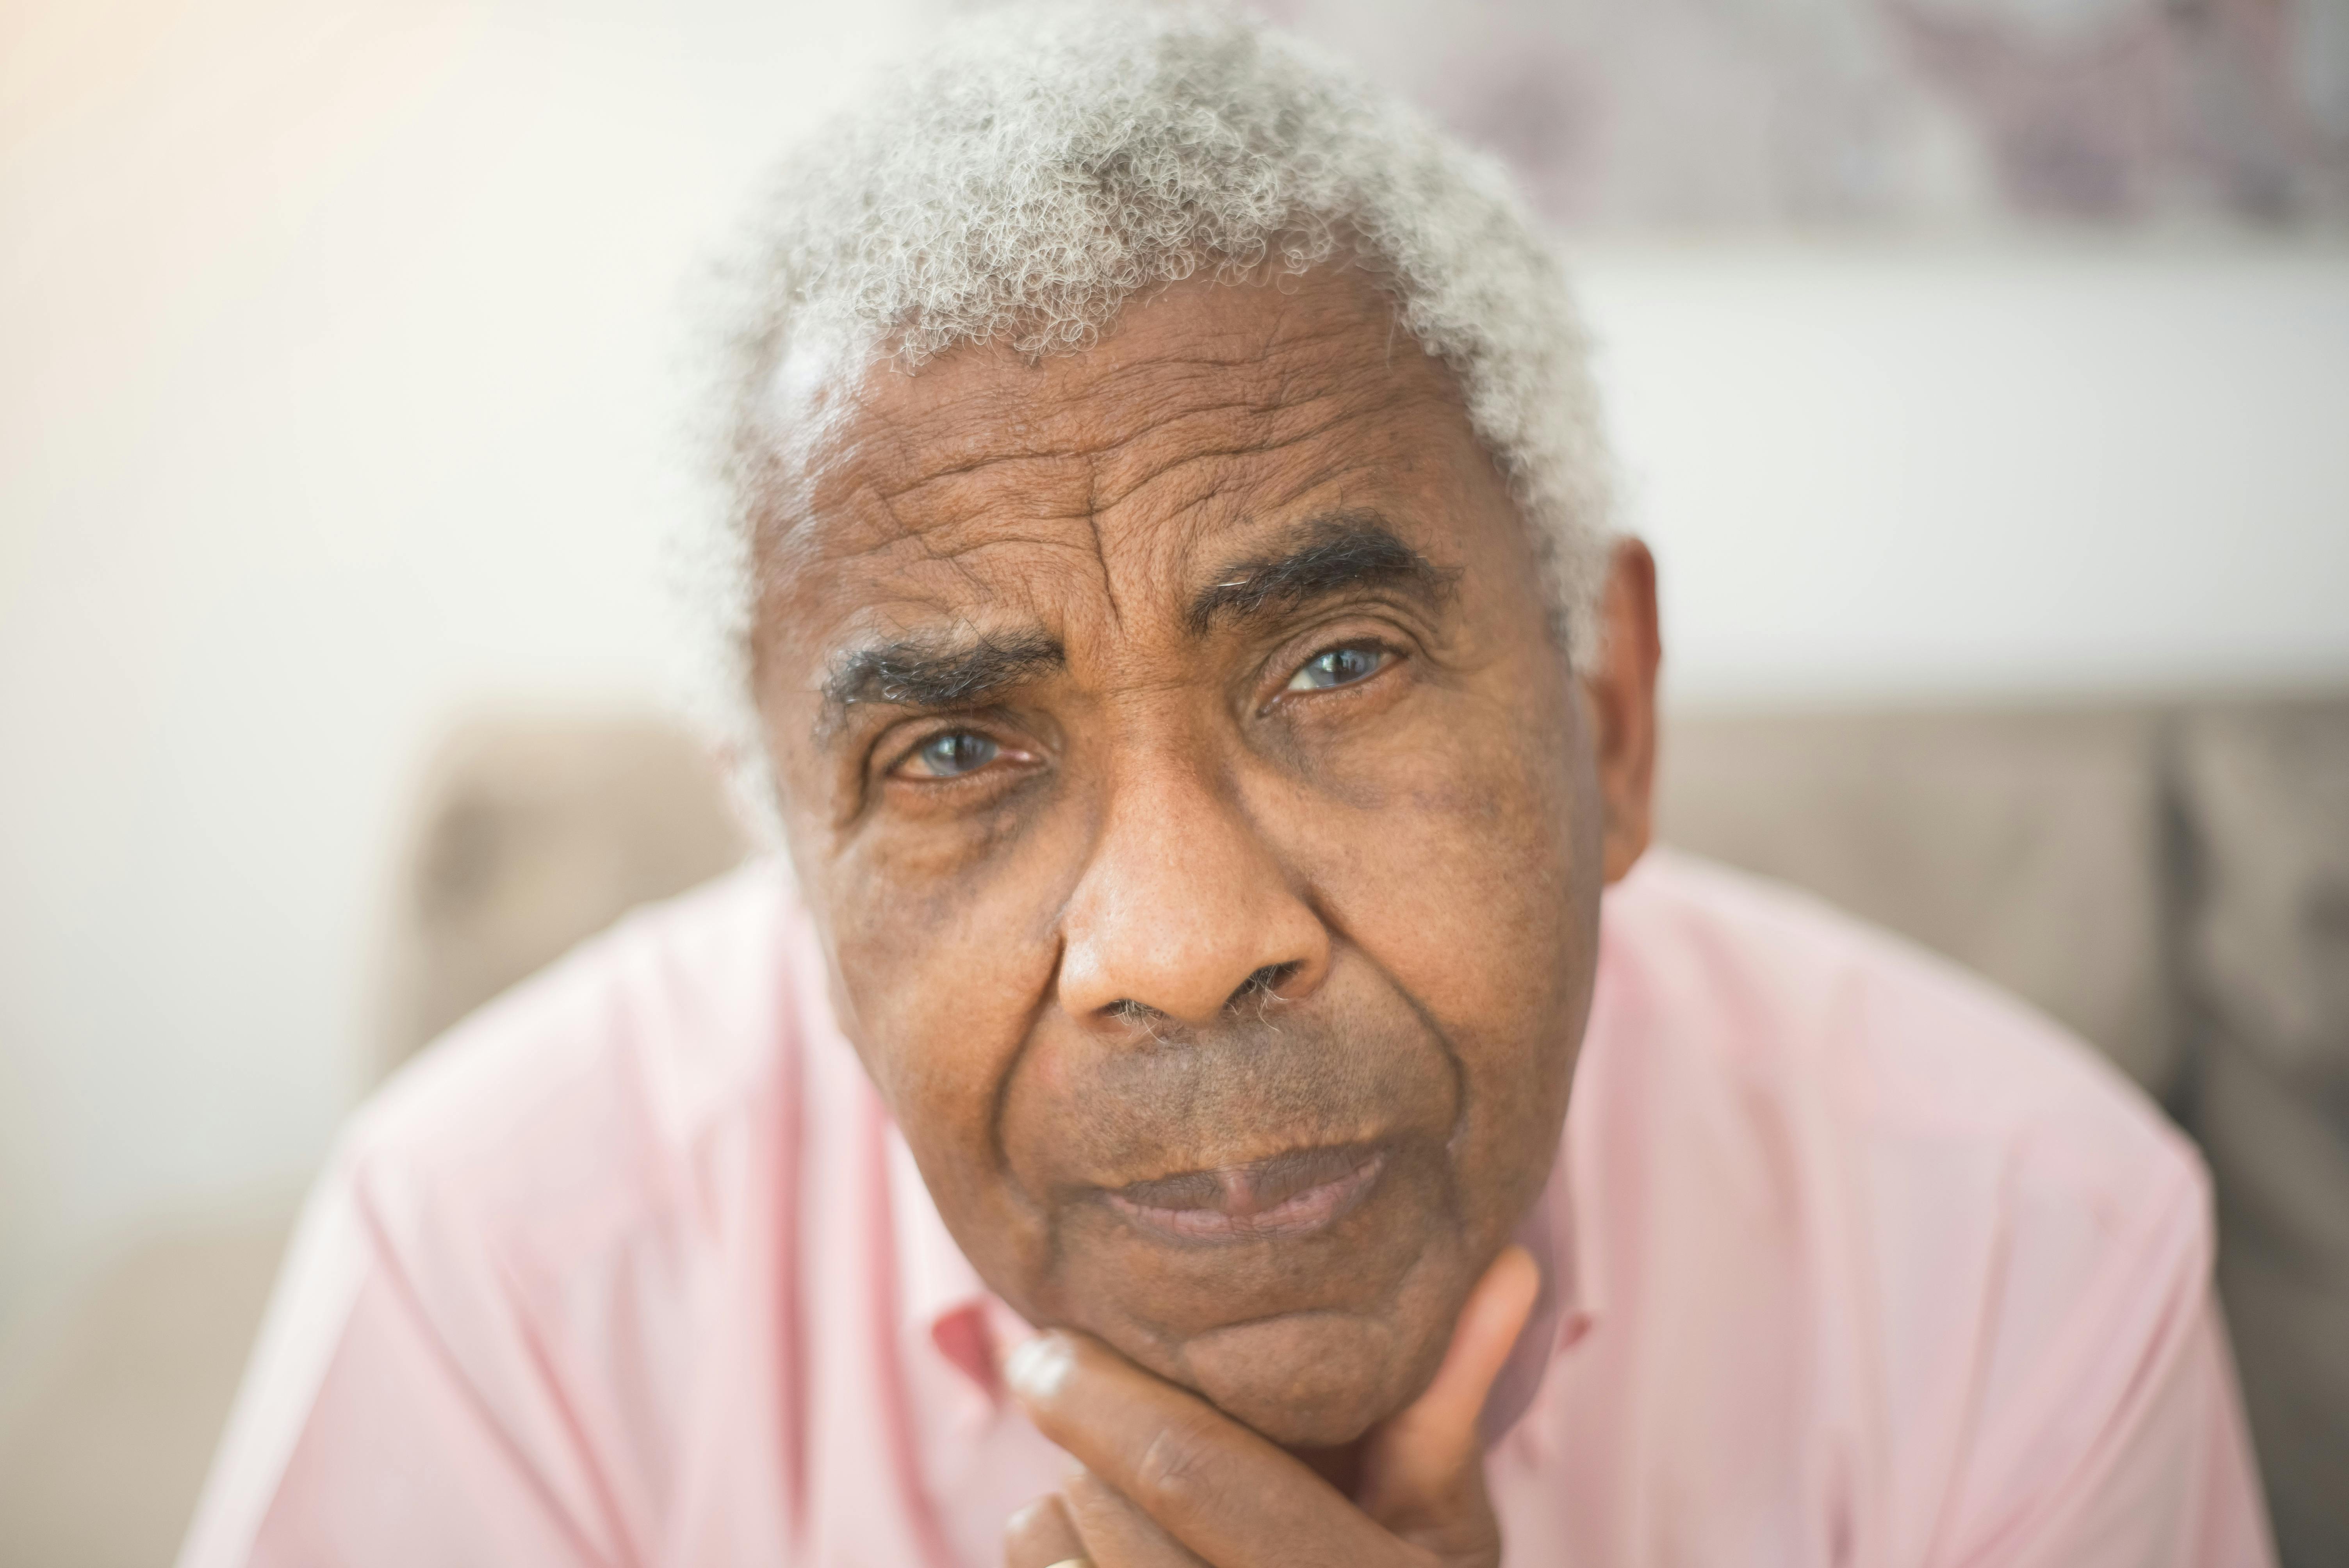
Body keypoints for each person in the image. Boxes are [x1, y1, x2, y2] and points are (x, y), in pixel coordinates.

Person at [180, 7, 2274, 1564]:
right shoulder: (493, 1267)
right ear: (799, 875)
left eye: (1340, 663)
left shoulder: (2031, 1252)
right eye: (956, 752)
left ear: (1609, 720)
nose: (1181, 951)